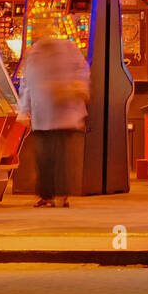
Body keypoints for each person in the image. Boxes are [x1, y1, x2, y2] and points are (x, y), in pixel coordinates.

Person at [17, 21, 90, 208]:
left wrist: (24, 110)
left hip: (59, 113)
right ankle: (54, 195)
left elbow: (27, 85)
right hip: (51, 114)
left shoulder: (57, 51)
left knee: (52, 157)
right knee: (52, 157)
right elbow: (27, 85)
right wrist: (24, 110)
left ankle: (55, 195)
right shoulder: (37, 54)